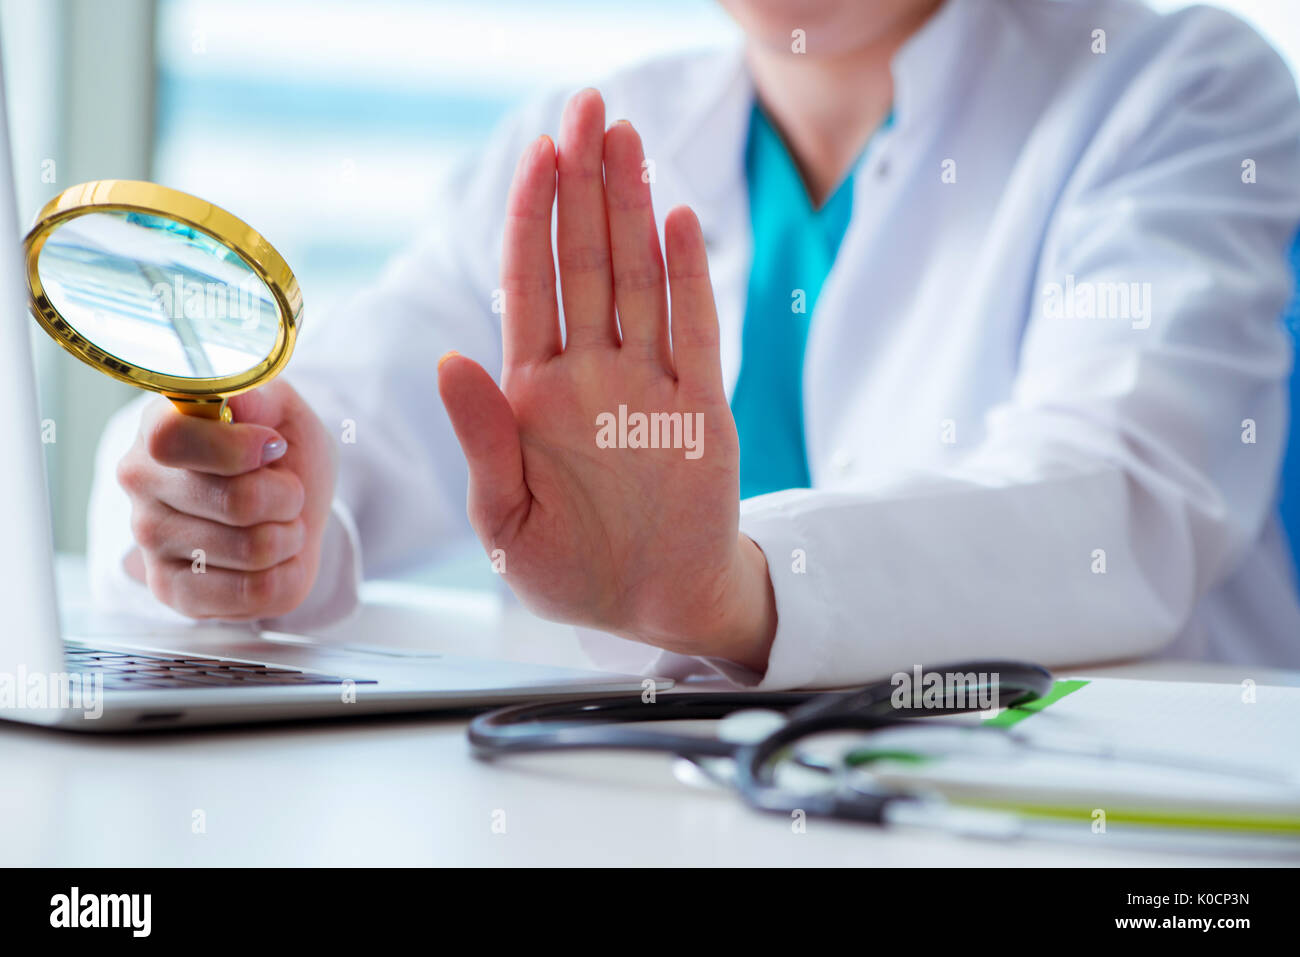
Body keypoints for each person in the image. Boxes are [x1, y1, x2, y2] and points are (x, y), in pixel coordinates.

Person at [90, 0, 1300, 688]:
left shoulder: (1177, 90)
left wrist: (727, 589)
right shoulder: (599, 133)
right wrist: (233, 509)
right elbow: (348, 409)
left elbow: (1121, 506)